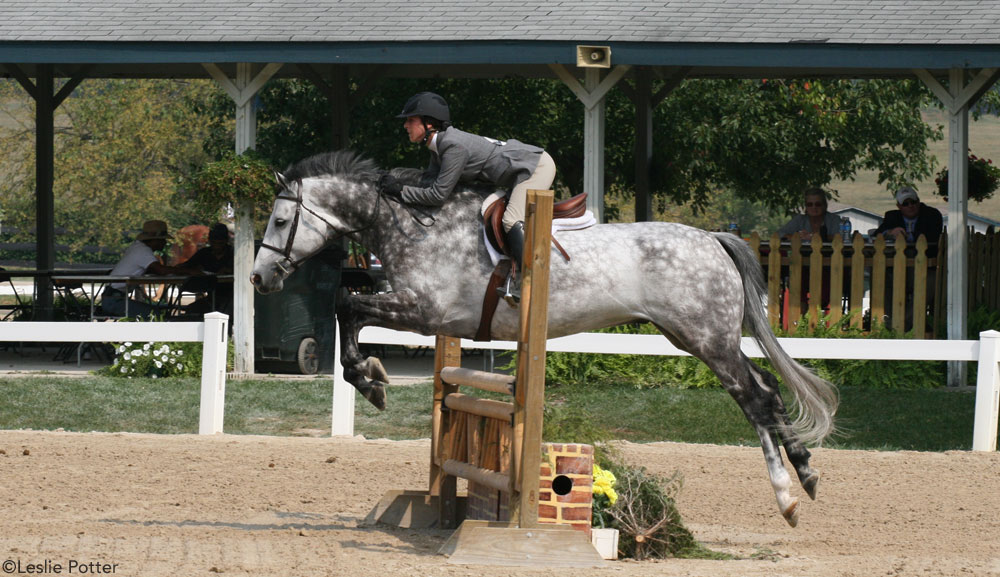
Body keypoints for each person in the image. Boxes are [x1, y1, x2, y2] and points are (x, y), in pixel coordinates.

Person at [378, 91, 556, 304]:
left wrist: (400, 191)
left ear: (429, 123)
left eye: (410, 120)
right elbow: (428, 181)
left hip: (535, 167)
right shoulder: (438, 146)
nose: (406, 125)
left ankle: (527, 280)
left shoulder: (453, 146)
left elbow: (437, 195)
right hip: (518, 170)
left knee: (510, 219)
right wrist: (397, 181)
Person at [101, 220, 202, 318]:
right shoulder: (143, 251)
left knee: (154, 312)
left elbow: (155, 269)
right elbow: (161, 270)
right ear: (155, 240)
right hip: (115, 301)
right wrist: (187, 271)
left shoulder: (137, 247)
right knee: (155, 315)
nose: (165, 243)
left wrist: (173, 269)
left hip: (112, 298)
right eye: (162, 239)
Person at [177, 223, 234, 315]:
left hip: (231, 298)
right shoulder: (204, 253)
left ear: (226, 241)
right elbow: (184, 266)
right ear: (209, 241)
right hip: (210, 298)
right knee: (191, 310)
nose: (217, 246)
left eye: (220, 243)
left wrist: (231, 270)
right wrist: (192, 271)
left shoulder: (233, 254)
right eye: (214, 242)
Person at [873, 186, 943, 244]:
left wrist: (907, 236)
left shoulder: (932, 215)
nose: (910, 206)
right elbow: (875, 235)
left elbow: (934, 236)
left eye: (913, 202)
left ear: (918, 201)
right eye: (905, 204)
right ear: (899, 206)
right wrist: (889, 233)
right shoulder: (892, 216)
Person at [777, 188, 842, 242]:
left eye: (818, 204)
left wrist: (812, 236)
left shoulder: (834, 219)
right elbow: (779, 234)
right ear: (806, 206)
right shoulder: (799, 219)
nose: (814, 207)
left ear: (824, 205)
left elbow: (841, 237)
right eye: (810, 204)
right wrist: (797, 237)